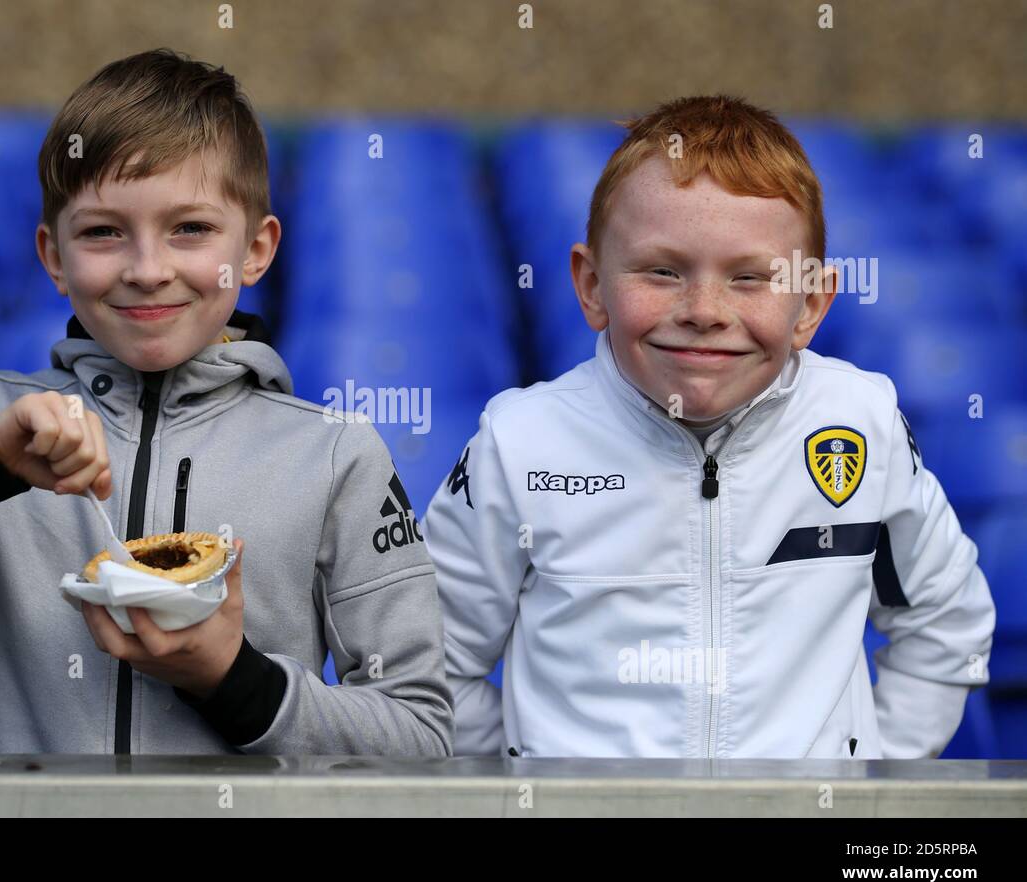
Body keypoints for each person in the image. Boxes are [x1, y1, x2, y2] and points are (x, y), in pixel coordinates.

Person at [0, 48, 452, 756]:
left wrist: (233, 680)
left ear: (256, 250)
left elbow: (422, 737)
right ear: (53, 256)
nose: (148, 270)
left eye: (191, 229)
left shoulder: (334, 453)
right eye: (103, 233)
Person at [423, 95, 995, 758]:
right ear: (590, 285)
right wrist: (535, 785)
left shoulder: (861, 424)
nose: (704, 310)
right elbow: (433, 664)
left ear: (810, 303)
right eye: (662, 271)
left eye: (750, 278)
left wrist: (869, 772)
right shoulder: (518, 443)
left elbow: (945, 620)